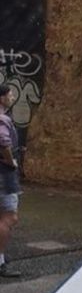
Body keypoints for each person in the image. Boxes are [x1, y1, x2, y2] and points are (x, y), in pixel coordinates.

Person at [0, 85, 22, 278]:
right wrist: (10, 161)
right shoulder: (1, 118)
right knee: (9, 217)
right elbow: (3, 141)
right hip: (3, 174)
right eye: (10, 94)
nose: (12, 96)